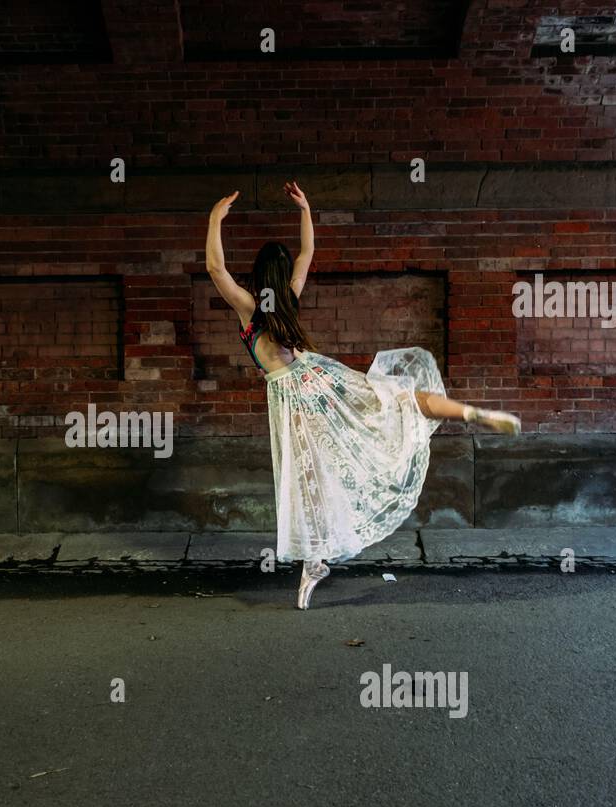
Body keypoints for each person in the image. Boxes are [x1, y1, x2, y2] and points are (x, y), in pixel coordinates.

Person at [205, 183, 521, 609]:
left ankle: (313, 563)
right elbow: (306, 254)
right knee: (396, 398)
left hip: (293, 399)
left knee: (309, 482)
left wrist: (214, 219)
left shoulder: (250, 309)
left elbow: (215, 270)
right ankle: (470, 412)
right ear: (281, 277)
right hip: (322, 378)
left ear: (260, 277)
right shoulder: (288, 302)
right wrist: (306, 209)